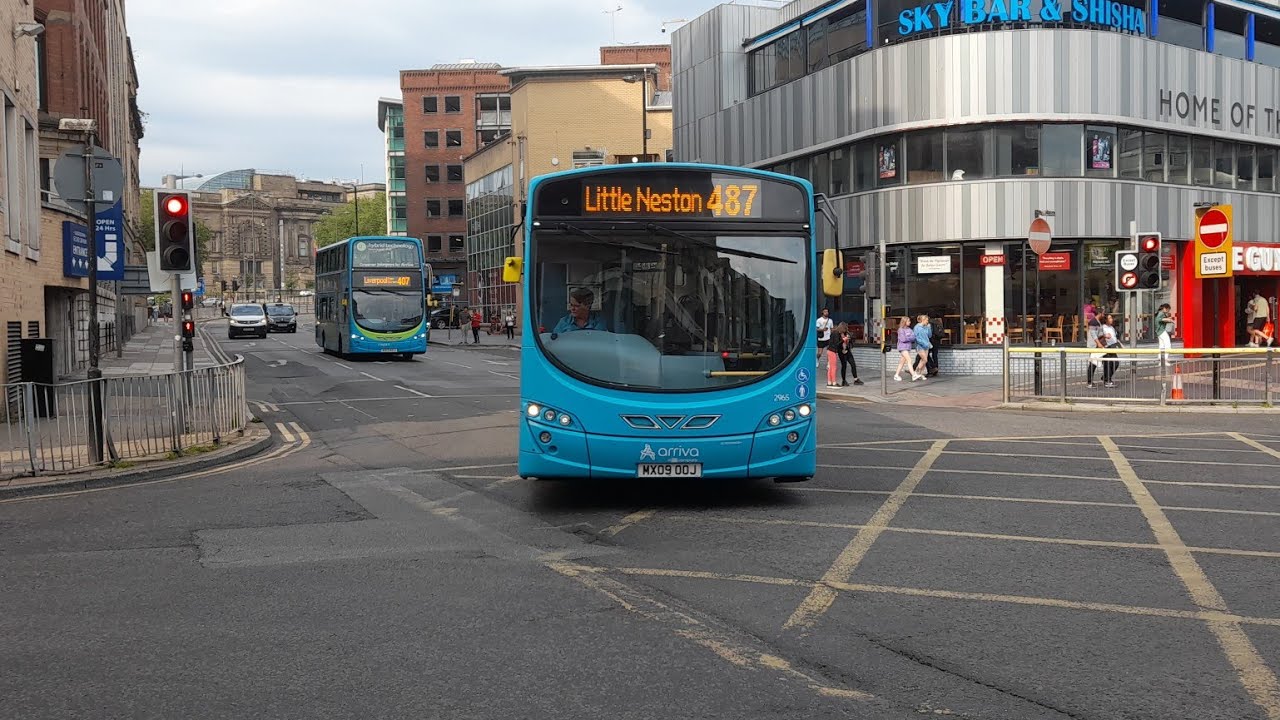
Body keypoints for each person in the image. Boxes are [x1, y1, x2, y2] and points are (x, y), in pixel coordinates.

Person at [893, 316, 924, 382]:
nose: (909, 322)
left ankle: (896, 375)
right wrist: (909, 337)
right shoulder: (901, 330)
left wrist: (908, 337)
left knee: (902, 362)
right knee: (909, 360)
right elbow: (903, 339)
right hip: (902, 347)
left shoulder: (909, 329)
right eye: (908, 321)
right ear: (904, 322)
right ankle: (913, 375)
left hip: (908, 347)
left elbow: (913, 337)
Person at [911, 314, 933, 379]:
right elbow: (916, 337)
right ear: (923, 320)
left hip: (926, 345)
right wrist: (922, 343)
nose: (927, 321)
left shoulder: (926, 327)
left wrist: (929, 328)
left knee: (922, 361)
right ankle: (916, 372)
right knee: (925, 360)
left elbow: (929, 336)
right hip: (920, 346)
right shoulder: (917, 327)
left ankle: (920, 373)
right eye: (926, 320)